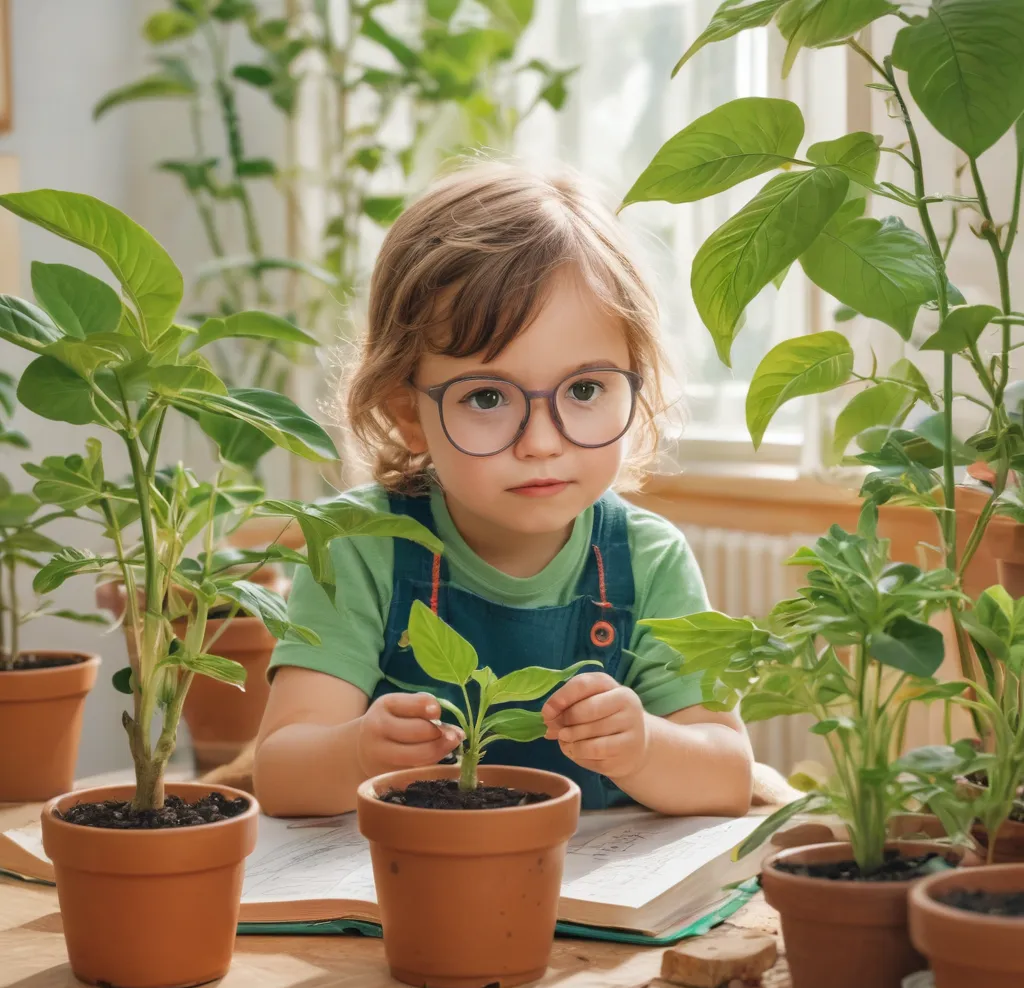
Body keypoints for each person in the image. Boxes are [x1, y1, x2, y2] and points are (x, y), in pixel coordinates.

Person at [253, 162, 755, 818]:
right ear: (409, 411)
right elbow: (280, 774)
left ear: (637, 383)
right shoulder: (357, 546)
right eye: (488, 397)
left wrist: (644, 748)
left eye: (584, 390)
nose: (541, 441)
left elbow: (727, 777)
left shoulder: (648, 559)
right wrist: (358, 752)